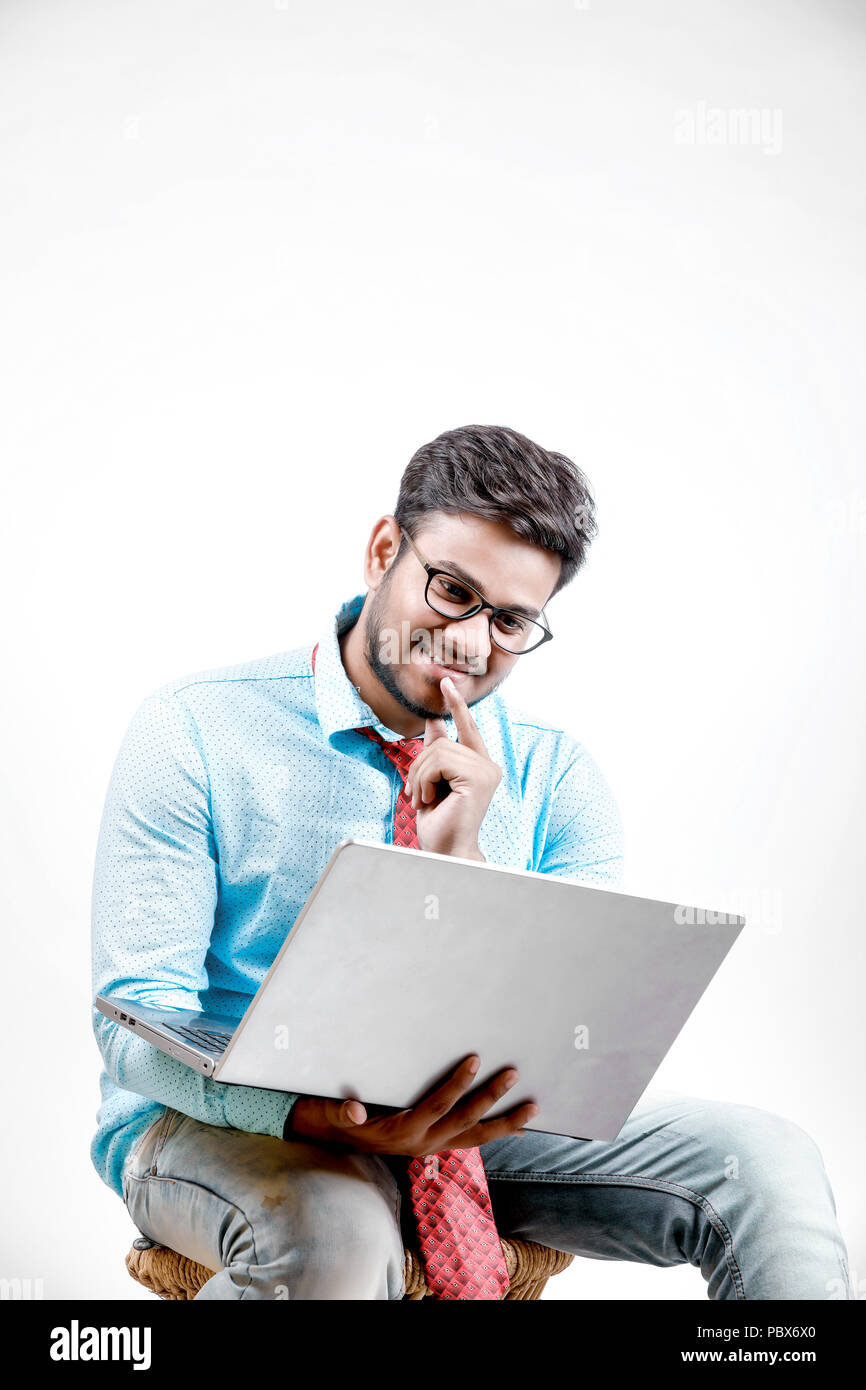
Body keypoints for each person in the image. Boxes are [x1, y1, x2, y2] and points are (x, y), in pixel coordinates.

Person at [91, 423, 851, 1300]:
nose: (471, 642)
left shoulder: (556, 776)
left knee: (767, 1163)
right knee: (336, 1232)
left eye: (511, 619)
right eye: (452, 590)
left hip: (473, 1125)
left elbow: (578, 1040)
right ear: (385, 549)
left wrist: (468, 867)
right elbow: (131, 1029)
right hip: (227, 1124)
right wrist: (305, 1114)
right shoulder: (194, 730)